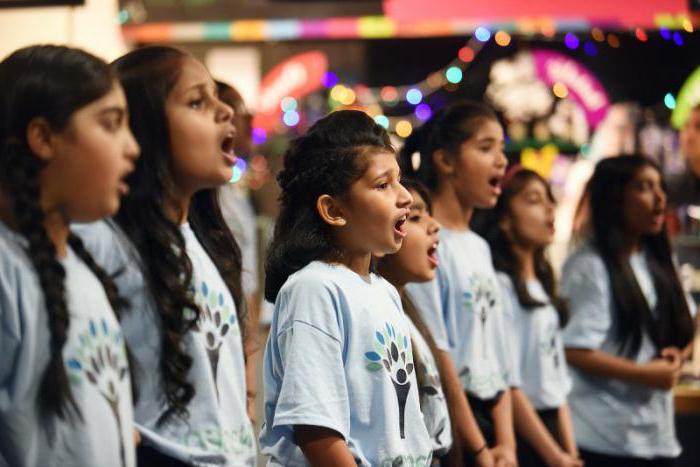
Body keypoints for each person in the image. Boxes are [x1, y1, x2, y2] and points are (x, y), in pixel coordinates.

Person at [75, 46, 255, 466]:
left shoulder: (200, 241)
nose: (225, 111)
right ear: (142, 129)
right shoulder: (105, 243)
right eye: (197, 101)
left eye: (217, 97)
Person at [259, 110, 433, 466]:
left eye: (399, 181)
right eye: (383, 185)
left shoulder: (381, 290)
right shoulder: (314, 287)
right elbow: (316, 431)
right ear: (333, 209)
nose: (405, 198)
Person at [0, 45, 140, 466]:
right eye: (110, 124)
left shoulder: (80, 268)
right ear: (43, 137)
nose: (132, 147)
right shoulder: (7, 270)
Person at [562, 155, 695, 467]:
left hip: (655, 434)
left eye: (660, 186)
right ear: (614, 197)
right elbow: (574, 349)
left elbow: (685, 323)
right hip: (604, 436)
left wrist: (678, 355)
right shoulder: (590, 265)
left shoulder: (657, 259)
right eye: (644, 187)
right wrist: (645, 374)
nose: (659, 197)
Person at [401, 101, 515, 467]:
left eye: (502, 148)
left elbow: (498, 357)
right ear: (445, 161)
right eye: (486, 148)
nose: (501, 160)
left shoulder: (481, 247)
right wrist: (479, 450)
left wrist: (507, 445)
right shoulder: (426, 244)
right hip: (457, 424)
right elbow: (440, 356)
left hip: (491, 419)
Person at [478, 167, 581, 467]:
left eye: (550, 199)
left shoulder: (544, 286)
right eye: (534, 200)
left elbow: (557, 380)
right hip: (524, 431)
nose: (550, 208)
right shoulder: (501, 286)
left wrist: (570, 451)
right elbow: (511, 383)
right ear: (505, 220)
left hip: (553, 430)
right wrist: (554, 455)